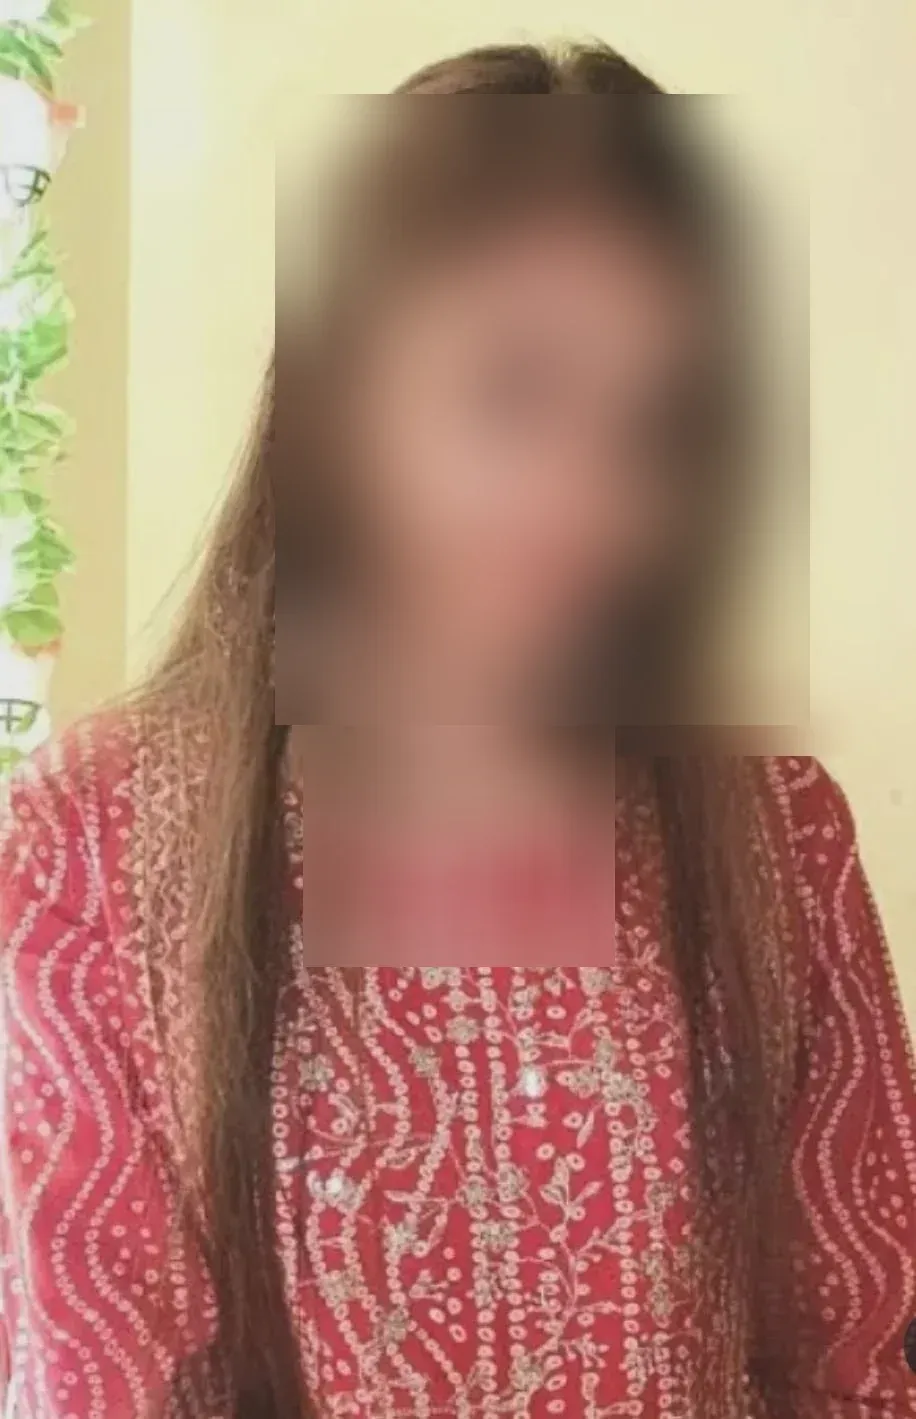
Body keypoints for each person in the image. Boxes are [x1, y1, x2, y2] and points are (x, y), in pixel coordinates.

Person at [1, 39, 915, 1419]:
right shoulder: (100, 840)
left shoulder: (779, 837)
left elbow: (850, 1364)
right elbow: (95, 1376)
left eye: (657, 420)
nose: (588, 497)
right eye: (511, 392)